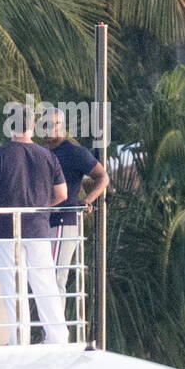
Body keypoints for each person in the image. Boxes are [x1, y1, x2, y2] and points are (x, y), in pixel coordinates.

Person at [0, 122, 69, 345]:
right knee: (45, 283)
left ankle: (20, 340)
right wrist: (41, 206)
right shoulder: (47, 156)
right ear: (33, 126)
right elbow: (62, 194)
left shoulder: (0, 154)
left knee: (13, 286)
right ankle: (58, 337)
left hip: (6, 230)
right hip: (38, 227)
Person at [38, 108, 108, 294]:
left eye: (52, 125)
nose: (47, 129)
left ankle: (55, 323)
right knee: (41, 277)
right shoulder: (42, 153)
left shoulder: (75, 152)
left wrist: (88, 200)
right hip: (43, 222)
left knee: (54, 278)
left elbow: (102, 177)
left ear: (62, 126)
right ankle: (45, 321)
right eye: (44, 125)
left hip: (64, 220)